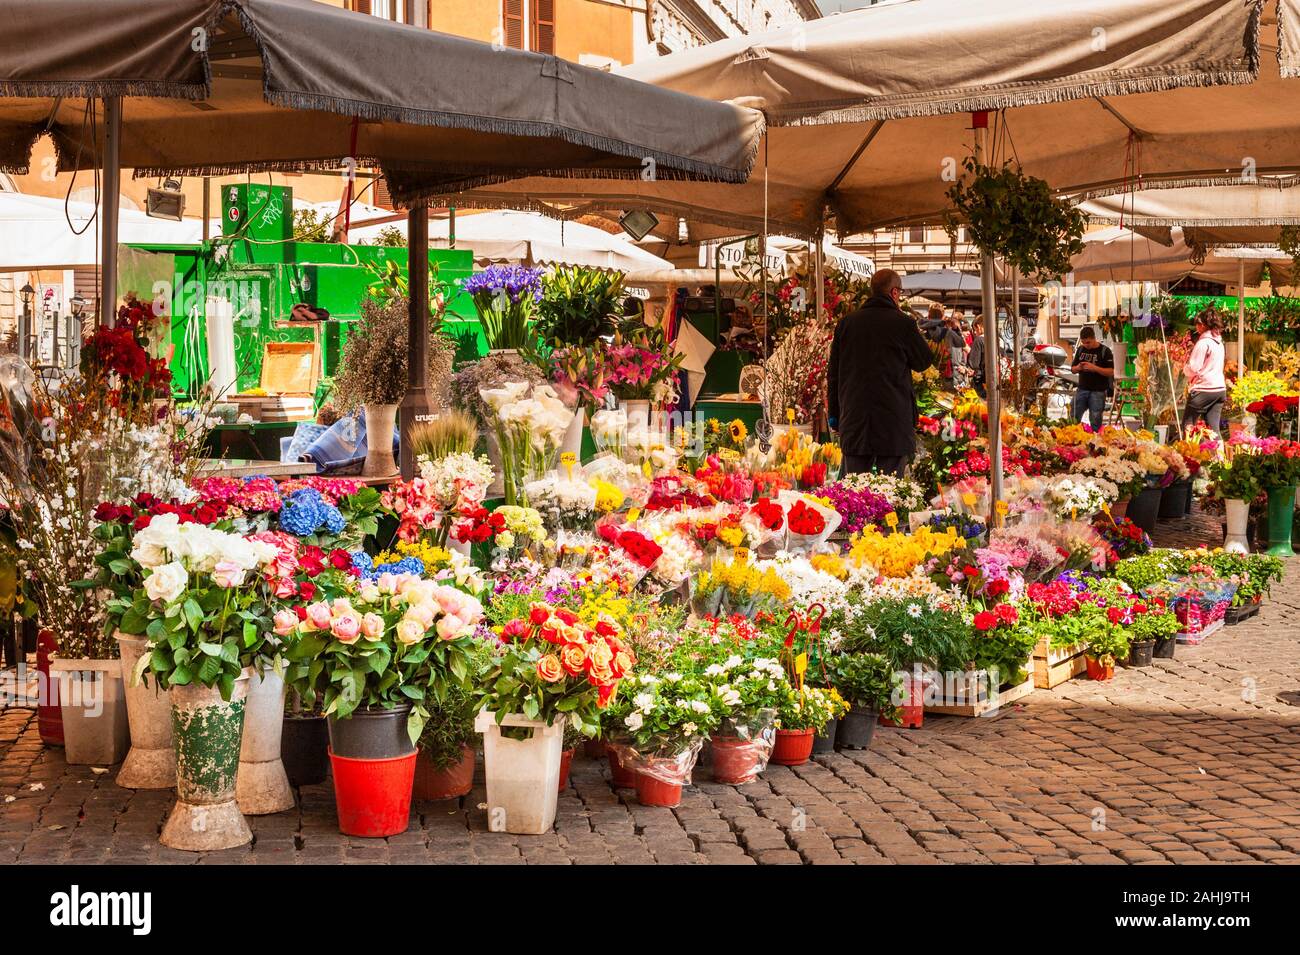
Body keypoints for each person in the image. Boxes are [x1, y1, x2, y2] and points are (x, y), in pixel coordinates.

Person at [828, 268, 934, 477]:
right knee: (891, 489)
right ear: (894, 293)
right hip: (893, 420)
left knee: (856, 491)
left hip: (855, 418)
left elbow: (834, 373)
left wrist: (835, 415)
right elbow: (923, 361)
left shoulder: (847, 324)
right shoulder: (903, 323)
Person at [1182, 308, 1227, 433]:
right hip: (1219, 389)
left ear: (1202, 325)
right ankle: (1217, 452)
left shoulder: (1203, 343)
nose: (1196, 327)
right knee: (1213, 430)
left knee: (1188, 425)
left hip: (1203, 390)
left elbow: (1193, 368)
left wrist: (1184, 368)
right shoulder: (1219, 342)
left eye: (1197, 324)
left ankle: (1189, 451)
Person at [1070, 325, 1114, 431]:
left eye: (1088, 342)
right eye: (1083, 342)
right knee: (1073, 416)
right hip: (1082, 389)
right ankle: (1072, 437)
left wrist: (1094, 368)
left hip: (1098, 391)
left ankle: (1095, 441)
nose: (1086, 345)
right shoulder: (1080, 350)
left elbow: (1111, 371)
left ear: (1094, 338)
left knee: (1095, 419)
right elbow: (1072, 369)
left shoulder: (1105, 351)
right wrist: (1079, 367)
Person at [967, 319, 986, 399]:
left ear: (979, 327)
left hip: (981, 381)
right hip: (997, 380)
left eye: (975, 330)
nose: (974, 332)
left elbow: (974, 364)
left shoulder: (979, 340)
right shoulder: (997, 339)